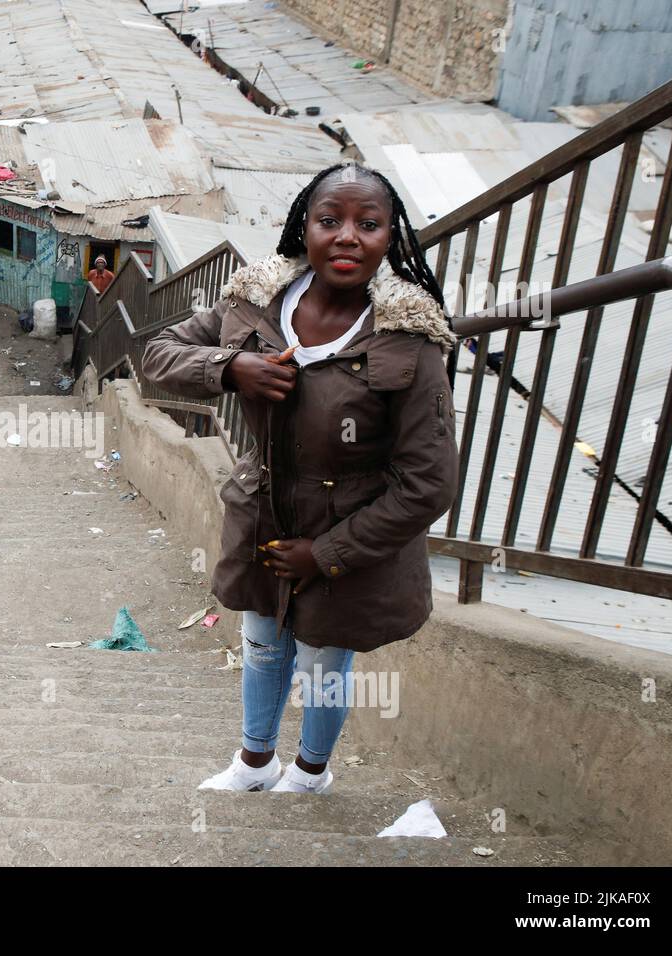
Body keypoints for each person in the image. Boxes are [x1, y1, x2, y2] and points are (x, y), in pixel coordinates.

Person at [141, 162, 458, 795]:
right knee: (260, 643)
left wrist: (329, 554)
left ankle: (311, 773)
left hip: (347, 536)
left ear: (390, 238)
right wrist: (231, 368)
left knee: (321, 661)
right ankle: (255, 764)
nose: (347, 236)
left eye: (368, 224)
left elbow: (430, 483)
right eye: (329, 220)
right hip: (265, 518)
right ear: (302, 228)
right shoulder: (254, 302)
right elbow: (158, 354)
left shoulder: (408, 343)